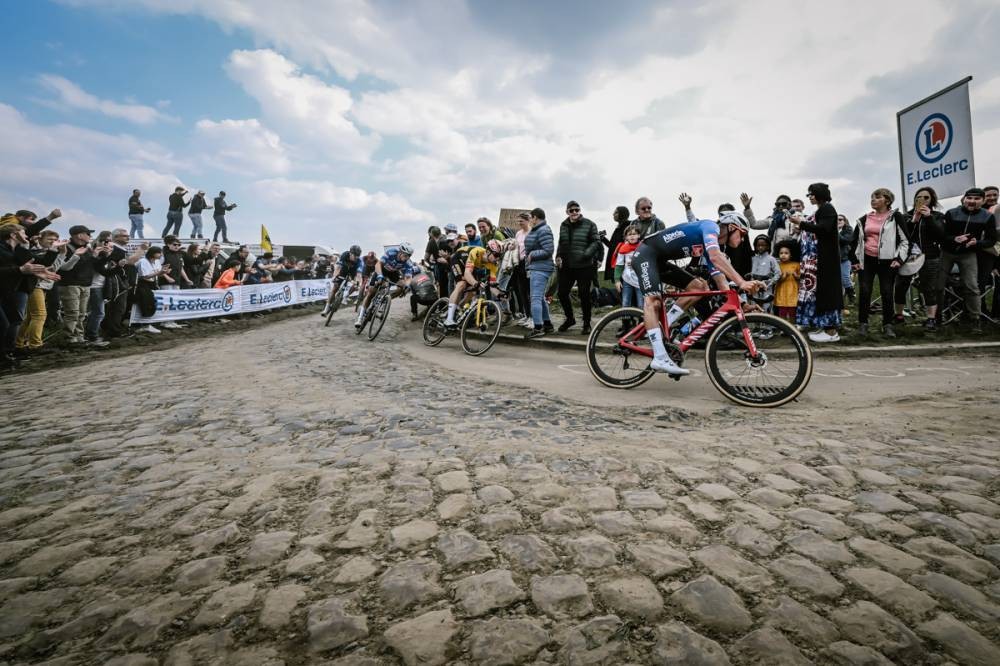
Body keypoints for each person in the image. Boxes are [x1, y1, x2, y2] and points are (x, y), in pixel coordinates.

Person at [634, 212, 761, 375]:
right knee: (654, 301)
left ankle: (665, 325)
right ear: (731, 227)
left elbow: (720, 278)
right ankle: (659, 357)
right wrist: (742, 282)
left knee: (700, 288)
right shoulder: (710, 227)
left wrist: (742, 304)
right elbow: (716, 257)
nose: (742, 239)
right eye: (742, 234)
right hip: (646, 254)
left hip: (659, 261)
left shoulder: (712, 245)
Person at [850, 188, 908, 337]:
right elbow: (854, 241)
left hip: (888, 261)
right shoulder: (864, 218)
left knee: (887, 292)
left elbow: (905, 240)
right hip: (867, 260)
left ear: (887, 201)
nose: (873, 200)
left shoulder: (895, 217)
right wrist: (854, 260)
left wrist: (899, 259)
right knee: (864, 291)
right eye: (872, 197)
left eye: (877, 197)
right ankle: (863, 324)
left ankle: (887, 325)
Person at [1, 224, 61, 369]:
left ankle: (8, 354)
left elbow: (39, 263)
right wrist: (20, 269)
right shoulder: (2, 249)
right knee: (4, 324)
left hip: (12, 291)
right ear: (14, 235)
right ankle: (8, 353)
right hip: (8, 290)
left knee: (13, 321)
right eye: (23, 232)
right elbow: (17, 269)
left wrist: (37, 271)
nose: (27, 235)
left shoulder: (17, 249)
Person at [938, 187, 997, 334]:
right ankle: (937, 318)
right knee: (938, 284)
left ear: (982, 201)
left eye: (977, 199)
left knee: (971, 286)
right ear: (964, 199)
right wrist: (954, 239)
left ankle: (975, 320)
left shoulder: (987, 216)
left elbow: (991, 240)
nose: (972, 201)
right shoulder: (952, 213)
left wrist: (978, 243)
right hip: (947, 252)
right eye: (969, 198)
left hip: (969, 253)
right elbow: (942, 237)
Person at [797, 183, 844, 342]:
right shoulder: (821, 210)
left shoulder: (828, 209)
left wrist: (801, 223)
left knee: (827, 293)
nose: (810, 197)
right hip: (817, 260)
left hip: (825, 260)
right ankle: (823, 326)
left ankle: (831, 332)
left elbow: (823, 229)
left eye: (812, 194)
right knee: (820, 294)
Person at [895, 187, 945, 330]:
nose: (922, 200)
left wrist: (929, 218)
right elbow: (902, 237)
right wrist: (913, 221)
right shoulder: (906, 216)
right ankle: (898, 315)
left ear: (932, 200)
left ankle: (930, 319)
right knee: (900, 285)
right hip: (908, 257)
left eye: (926, 197)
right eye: (919, 197)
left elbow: (941, 235)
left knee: (929, 288)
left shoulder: (938, 216)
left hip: (930, 256)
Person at [57, 225, 114, 345]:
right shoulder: (66, 247)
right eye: (88, 233)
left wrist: (105, 256)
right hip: (70, 284)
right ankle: (69, 339)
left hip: (86, 284)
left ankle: (79, 337)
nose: (90, 236)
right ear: (79, 235)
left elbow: (94, 266)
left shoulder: (86, 248)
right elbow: (68, 268)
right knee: (72, 313)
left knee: (82, 314)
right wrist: (93, 256)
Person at [555, 201, 601, 334]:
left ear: (580, 210)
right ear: (567, 212)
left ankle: (586, 324)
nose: (574, 212)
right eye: (571, 210)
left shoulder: (589, 224)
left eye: (577, 210)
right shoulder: (563, 225)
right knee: (562, 293)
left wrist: (586, 254)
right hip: (567, 266)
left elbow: (596, 242)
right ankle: (570, 319)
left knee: (584, 295)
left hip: (584, 265)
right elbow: (561, 242)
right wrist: (558, 256)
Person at [14, 230, 63, 354]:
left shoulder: (51, 252)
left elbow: (55, 268)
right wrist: (57, 253)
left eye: (55, 239)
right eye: (49, 239)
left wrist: (62, 253)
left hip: (43, 286)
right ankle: (35, 345)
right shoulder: (34, 251)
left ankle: (18, 343)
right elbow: (47, 267)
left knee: (30, 317)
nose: (53, 242)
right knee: (39, 315)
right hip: (35, 285)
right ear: (40, 239)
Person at [355, 242, 417, 329]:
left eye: (409, 256)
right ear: (400, 252)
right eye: (406, 255)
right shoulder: (391, 252)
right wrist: (380, 275)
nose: (407, 258)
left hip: (393, 273)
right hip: (382, 270)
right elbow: (378, 264)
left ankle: (386, 299)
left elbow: (408, 277)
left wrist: (407, 285)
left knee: (402, 287)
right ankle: (360, 317)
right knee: (371, 292)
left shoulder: (408, 263)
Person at [443, 240, 503, 328]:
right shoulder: (476, 252)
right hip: (458, 259)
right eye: (496, 255)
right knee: (461, 284)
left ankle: (457, 308)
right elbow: (467, 274)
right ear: (488, 251)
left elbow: (492, 285)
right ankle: (449, 319)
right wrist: (475, 283)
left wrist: (500, 294)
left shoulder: (493, 264)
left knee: (473, 292)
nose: (497, 258)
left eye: (500, 256)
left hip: (470, 265)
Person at [523, 208, 556, 339]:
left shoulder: (543, 230)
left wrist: (532, 255)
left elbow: (549, 250)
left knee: (535, 298)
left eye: (530, 218)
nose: (530, 221)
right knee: (540, 298)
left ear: (535, 218)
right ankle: (547, 325)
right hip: (537, 267)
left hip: (541, 268)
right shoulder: (539, 229)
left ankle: (538, 328)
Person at [135, 246, 169, 334]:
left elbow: (157, 274)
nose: (161, 254)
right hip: (142, 284)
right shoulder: (143, 261)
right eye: (159, 252)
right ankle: (144, 325)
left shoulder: (157, 261)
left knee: (151, 303)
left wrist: (164, 272)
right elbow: (144, 276)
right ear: (152, 253)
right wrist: (160, 273)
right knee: (145, 303)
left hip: (152, 284)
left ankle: (148, 324)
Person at [321, 245, 362, 316]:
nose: (356, 258)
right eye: (355, 256)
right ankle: (326, 308)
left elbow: (358, 275)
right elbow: (338, 267)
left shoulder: (359, 261)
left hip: (353, 272)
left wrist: (357, 282)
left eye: (357, 256)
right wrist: (334, 276)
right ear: (350, 253)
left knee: (356, 286)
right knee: (335, 288)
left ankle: (346, 296)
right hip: (343, 270)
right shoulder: (345, 255)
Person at [611, 224, 642, 309]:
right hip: (627, 279)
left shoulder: (643, 247)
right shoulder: (623, 248)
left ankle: (642, 321)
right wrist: (617, 280)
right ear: (626, 237)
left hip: (640, 279)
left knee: (641, 303)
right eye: (630, 234)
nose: (632, 236)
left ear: (639, 235)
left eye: (634, 234)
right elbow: (619, 266)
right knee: (625, 302)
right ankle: (626, 321)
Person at [511, 213, 533, 327]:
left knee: (529, 291)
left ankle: (532, 317)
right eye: (518, 221)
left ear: (528, 220)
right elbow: (516, 247)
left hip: (528, 263)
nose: (519, 223)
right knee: (522, 291)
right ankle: (526, 315)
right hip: (518, 263)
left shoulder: (532, 232)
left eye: (522, 221)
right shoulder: (518, 233)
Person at [750, 235, 780, 313]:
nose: (760, 247)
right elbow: (750, 274)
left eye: (763, 245)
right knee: (754, 309)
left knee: (766, 309)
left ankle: (767, 324)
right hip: (754, 289)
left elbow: (778, 273)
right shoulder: (753, 259)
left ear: (768, 246)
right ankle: (755, 325)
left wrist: (769, 283)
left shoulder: (771, 259)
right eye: (758, 245)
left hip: (767, 289)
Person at [774, 240, 801, 322]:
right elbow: (776, 280)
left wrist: (796, 276)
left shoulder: (796, 264)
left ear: (791, 254)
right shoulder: (778, 265)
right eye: (781, 253)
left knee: (793, 312)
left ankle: (792, 327)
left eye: (786, 253)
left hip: (793, 293)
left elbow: (801, 278)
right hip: (781, 293)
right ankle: (783, 327)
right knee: (782, 311)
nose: (783, 255)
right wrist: (783, 277)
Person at [837, 215, 856, 305]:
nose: (838, 221)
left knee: (845, 278)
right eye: (836, 219)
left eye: (840, 219)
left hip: (845, 258)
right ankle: (839, 301)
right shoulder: (829, 229)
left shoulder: (848, 229)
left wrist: (835, 232)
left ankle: (851, 294)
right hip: (832, 259)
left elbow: (846, 240)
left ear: (845, 221)